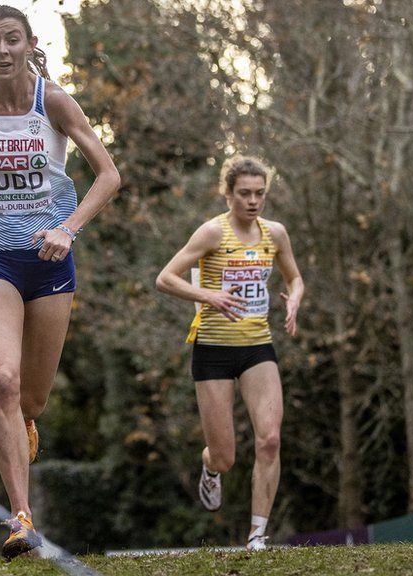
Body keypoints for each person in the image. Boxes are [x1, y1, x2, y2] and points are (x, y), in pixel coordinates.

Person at [0, 4, 120, 560]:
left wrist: (68, 228)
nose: (3, 50)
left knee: (30, 399)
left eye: (12, 39)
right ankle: (21, 517)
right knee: (3, 381)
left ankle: (23, 427)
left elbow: (109, 174)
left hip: (51, 261)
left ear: (29, 42)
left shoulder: (53, 102)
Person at [155, 156, 304, 551]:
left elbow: (294, 276)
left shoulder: (275, 234)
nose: (253, 201)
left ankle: (257, 535)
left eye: (260, 194)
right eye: (245, 194)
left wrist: (294, 301)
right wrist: (209, 296)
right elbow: (165, 278)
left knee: (270, 439)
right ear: (228, 194)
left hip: (258, 347)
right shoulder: (211, 233)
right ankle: (210, 467)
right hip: (213, 350)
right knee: (225, 457)